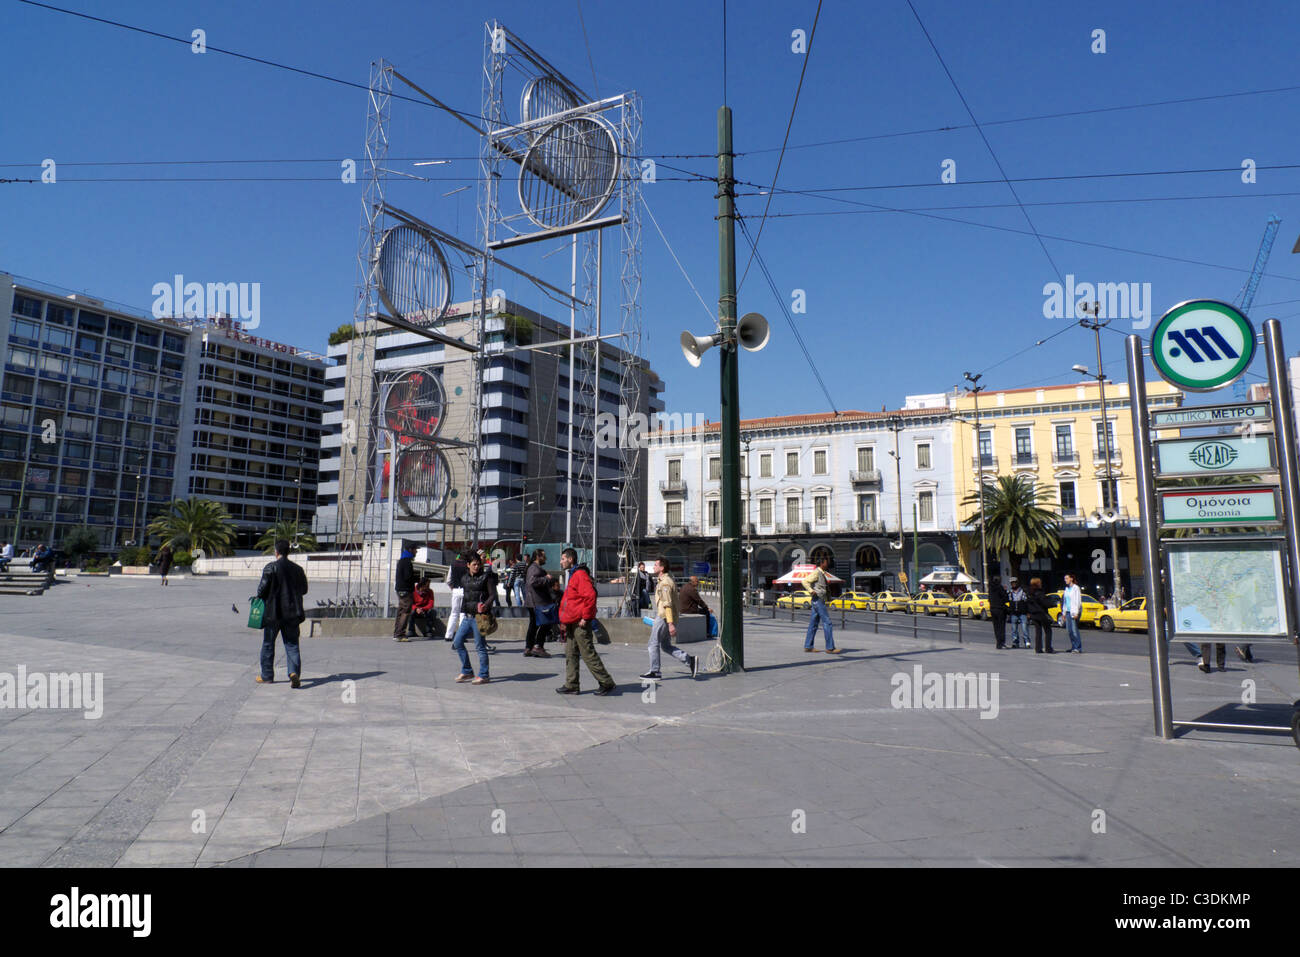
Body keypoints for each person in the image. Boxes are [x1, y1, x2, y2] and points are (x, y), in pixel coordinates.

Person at [555, 547, 616, 696]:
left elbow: (590, 597)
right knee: (570, 653)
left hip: (579, 623)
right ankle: (572, 684)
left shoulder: (580, 575)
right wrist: (564, 620)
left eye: (563, 559)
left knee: (588, 653)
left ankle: (606, 682)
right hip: (571, 622)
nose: (561, 562)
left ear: (570, 559)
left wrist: (586, 617)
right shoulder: (574, 574)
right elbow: (572, 601)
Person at [255, 540, 309, 687]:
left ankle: (266, 675)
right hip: (292, 613)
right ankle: (294, 673)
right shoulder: (298, 569)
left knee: (268, 644)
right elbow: (304, 590)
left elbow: (261, 591)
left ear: (276, 552)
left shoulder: (270, 567)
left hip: (273, 613)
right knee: (292, 644)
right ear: (288, 552)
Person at [642, 557, 697, 680]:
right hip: (666, 617)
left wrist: (670, 623)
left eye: (656, 565)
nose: (654, 567)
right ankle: (689, 660)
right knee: (666, 646)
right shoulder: (664, 580)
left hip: (664, 617)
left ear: (662, 568)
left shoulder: (665, 583)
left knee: (653, 643)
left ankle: (655, 671)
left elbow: (667, 603)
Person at [451, 553, 496, 684]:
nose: (476, 566)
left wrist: (485, 605)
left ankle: (484, 674)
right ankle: (467, 671)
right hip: (467, 616)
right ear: (468, 565)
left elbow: (492, 595)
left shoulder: (486, 577)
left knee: (480, 647)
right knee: (457, 642)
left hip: (479, 617)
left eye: (478, 564)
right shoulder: (464, 578)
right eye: (474, 564)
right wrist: (462, 610)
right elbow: (465, 596)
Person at [802, 555, 842, 654]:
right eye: (826, 561)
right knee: (827, 622)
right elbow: (805, 581)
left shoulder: (821, 573)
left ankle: (808, 646)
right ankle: (830, 648)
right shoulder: (817, 572)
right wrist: (811, 591)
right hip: (818, 599)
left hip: (817, 600)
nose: (827, 563)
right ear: (822, 563)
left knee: (813, 623)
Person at [523, 549, 553, 658]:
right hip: (537, 602)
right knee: (546, 623)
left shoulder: (533, 568)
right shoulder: (534, 568)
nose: (545, 559)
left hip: (533, 602)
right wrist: (546, 578)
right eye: (544, 556)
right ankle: (538, 646)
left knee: (534, 625)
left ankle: (529, 647)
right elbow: (533, 582)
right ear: (538, 557)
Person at [392, 547, 416, 642]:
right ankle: (400, 634)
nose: (416, 552)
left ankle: (396, 633)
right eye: (415, 550)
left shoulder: (401, 561)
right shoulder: (407, 562)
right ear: (410, 550)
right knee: (406, 612)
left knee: (401, 611)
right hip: (406, 589)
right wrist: (414, 578)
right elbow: (408, 576)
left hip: (399, 589)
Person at [444, 552, 468, 643]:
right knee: (463, 613)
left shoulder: (453, 564)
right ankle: (461, 636)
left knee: (453, 613)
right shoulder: (467, 565)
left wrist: (452, 588)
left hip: (455, 590)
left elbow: (448, 580)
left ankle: (448, 635)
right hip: (464, 590)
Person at [1026, 577, 1054, 654]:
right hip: (1041, 613)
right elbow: (1044, 602)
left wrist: (1028, 613)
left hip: (1034, 614)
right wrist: (1051, 603)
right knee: (1048, 630)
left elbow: (1027, 604)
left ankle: (1038, 648)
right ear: (1038, 584)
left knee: (1038, 631)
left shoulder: (1029, 593)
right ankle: (1048, 648)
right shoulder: (1039, 592)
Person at [1061, 573, 1083, 653]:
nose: (1065, 580)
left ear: (1071, 579)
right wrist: (1063, 613)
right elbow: (1065, 602)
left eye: (1066, 578)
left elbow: (1078, 600)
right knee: (1069, 630)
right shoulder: (1066, 589)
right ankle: (1073, 646)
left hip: (1074, 611)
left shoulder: (1076, 588)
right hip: (1067, 611)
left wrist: (1076, 612)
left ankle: (1078, 647)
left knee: (1074, 630)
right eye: (1065, 578)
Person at [1007, 578, 1029, 648]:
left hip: (1023, 612)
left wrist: (1028, 612)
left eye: (1014, 582)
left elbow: (1026, 602)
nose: (1013, 584)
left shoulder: (1023, 591)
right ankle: (1015, 641)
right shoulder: (1010, 592)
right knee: (1014, 629)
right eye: (1012, 583)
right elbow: (1009, 602)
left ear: (1017, 583)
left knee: (1024, 628)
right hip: (1014, 613)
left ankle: (1027, 641)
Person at [988, 575, 1009, 649]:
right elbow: (1005, 598)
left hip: (993, 608)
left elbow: (989, 599)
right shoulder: (1000, 588)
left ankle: (998, 643)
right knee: (1001, 626)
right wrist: (1005, 591)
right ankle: (1001, 642)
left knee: (996, 627)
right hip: (1000, 609)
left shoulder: (990, 588)